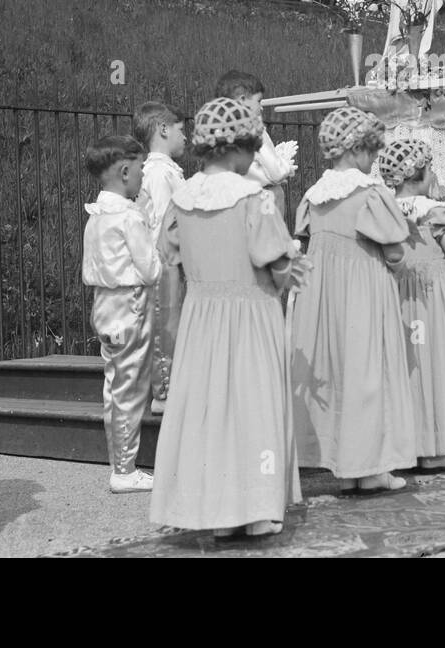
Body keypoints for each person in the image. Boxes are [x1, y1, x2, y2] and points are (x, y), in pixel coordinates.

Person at [149, 99, 305, 538]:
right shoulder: (254, 199)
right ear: (238, 149)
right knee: (251, 406)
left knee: (209, 409)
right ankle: (255, 508)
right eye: (253, 149)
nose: (255, 158)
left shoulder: (183, 199)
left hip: (202, 319)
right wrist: (293, 269)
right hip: (250, 314)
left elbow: (169, 253)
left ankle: (216, 511)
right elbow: (274, 259)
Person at [290, 106, 417, 491]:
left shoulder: (315, 196)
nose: (375, 159)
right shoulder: (371, 194)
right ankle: (370, 468)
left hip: (324, 295)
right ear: (358, 149)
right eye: (373, 152)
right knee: (368, 373)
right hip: (363, 289)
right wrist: (402, 263)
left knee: (337, 373)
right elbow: (394, 251)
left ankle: (344, 466)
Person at [377, 138, 445, 471]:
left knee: (410, 363)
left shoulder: (387, 208)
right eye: (430, 167)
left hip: (401, 291)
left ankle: (412, 443)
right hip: (433, 291)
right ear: (418, 173)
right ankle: (439, 446)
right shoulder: (433, 211)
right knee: (440, 359)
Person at [81, 134, 161, 493]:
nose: (144, 175)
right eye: (141, 168)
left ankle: (121, 462)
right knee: (130, 388)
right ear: (125, 170)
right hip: (130, 306)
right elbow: (150, 270)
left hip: (104, 305)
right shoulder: (129, 217)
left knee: (114, 387)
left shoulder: (97, 216)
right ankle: (125, 470)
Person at [132, 100, 187, 414]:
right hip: (162, 259)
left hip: (164, 259)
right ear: (164, 129)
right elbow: (167, 221)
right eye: (181, 129)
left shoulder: (160, 170)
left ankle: (164, 388)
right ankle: (163, 392)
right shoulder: (159, 173)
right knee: (165, 324)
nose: (186, 136)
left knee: (168, 322)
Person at [214, 70, 297, 219]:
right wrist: (285, 163)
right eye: (258, 101)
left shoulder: (218, 132)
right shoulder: (253, 129)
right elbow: (277, 172)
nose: (262, 107)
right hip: (263, 203)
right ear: (242, 101)